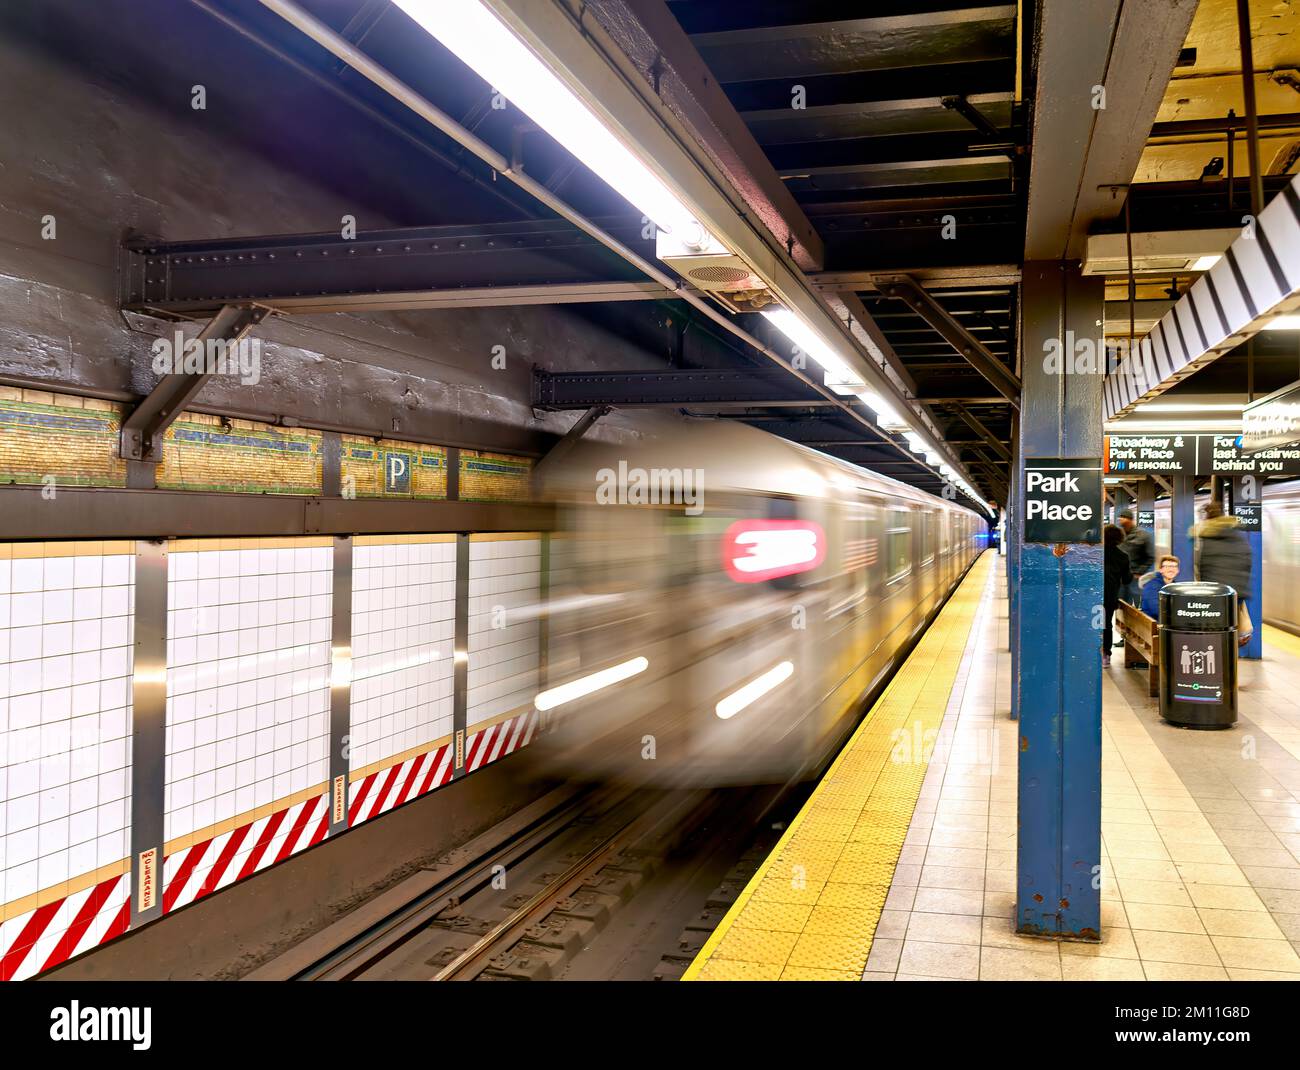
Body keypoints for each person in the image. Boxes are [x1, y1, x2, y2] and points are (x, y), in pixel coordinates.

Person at [1191, 501, 1254, 647]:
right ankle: (1229, 653)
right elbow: (1247, 562)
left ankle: (1218, 654)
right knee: (1230, 624)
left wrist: (1202, 587)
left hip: (1214, 592)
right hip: (1236, 592)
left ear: (1207, 516)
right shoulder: (1238, 535)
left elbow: (1202, 567)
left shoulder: (1207, 537)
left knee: (1215, 626)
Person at [1114, 509, 1154, 647]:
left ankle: (1140, 637)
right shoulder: (1118, 535)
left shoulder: (1143, 536)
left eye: (1124, 518)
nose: (1121, 520)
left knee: (1137, 609)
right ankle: (1124, 637)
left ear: (1131, 519)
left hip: (1135, 579)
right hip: (1120, 578)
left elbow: (1151, 557)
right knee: (1122, 608)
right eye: (1120, 517)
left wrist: (1140, 572)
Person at [1103, 524, 1132, 667]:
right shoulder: (1123, 557)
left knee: (1094, 624)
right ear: (1120, 539)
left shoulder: (1096, 554)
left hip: (1093, 595)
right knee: (1106, 624)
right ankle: (1106, 655)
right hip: (1110, 597)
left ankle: (1091, 650)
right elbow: (1127, 580)